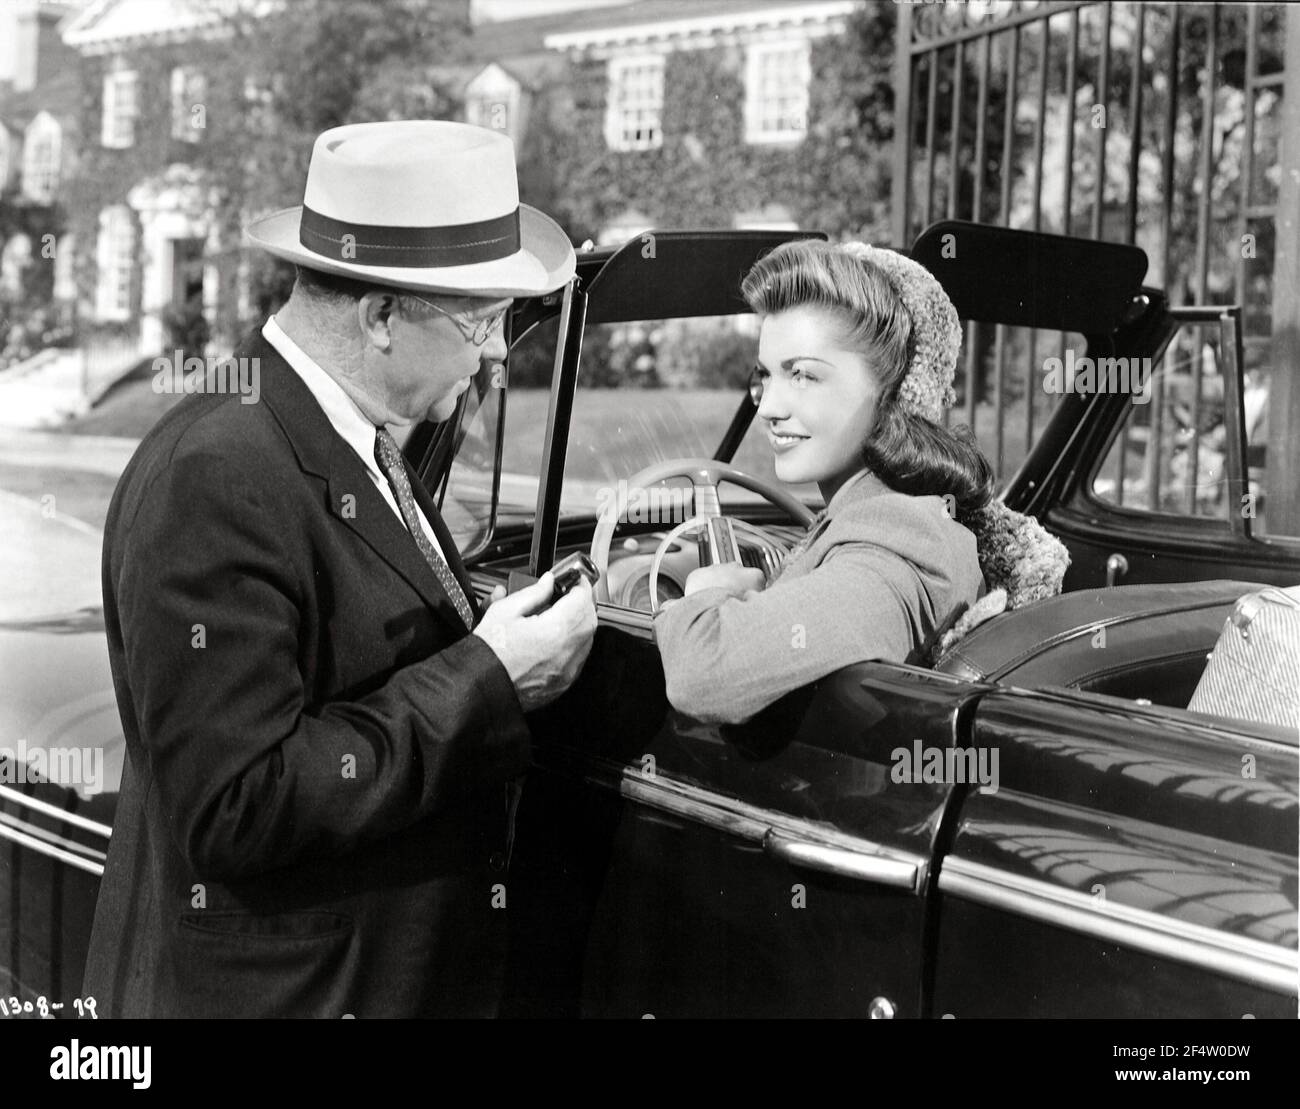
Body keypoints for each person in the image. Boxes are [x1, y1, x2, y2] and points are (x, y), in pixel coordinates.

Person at [82, 120, 597, 1017]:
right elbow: (236, 802)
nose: (493, 356)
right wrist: (488, 678)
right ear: (381, 316)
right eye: (481, 321)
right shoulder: (218, 473)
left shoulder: (341, 430)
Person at [654, 239, 1069, 724]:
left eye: (804, 376)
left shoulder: (892, 549)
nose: (767, 407)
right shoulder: (895, 512)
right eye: (765, 376)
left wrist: (709, 591)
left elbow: (704, 675)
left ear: (891, 393)